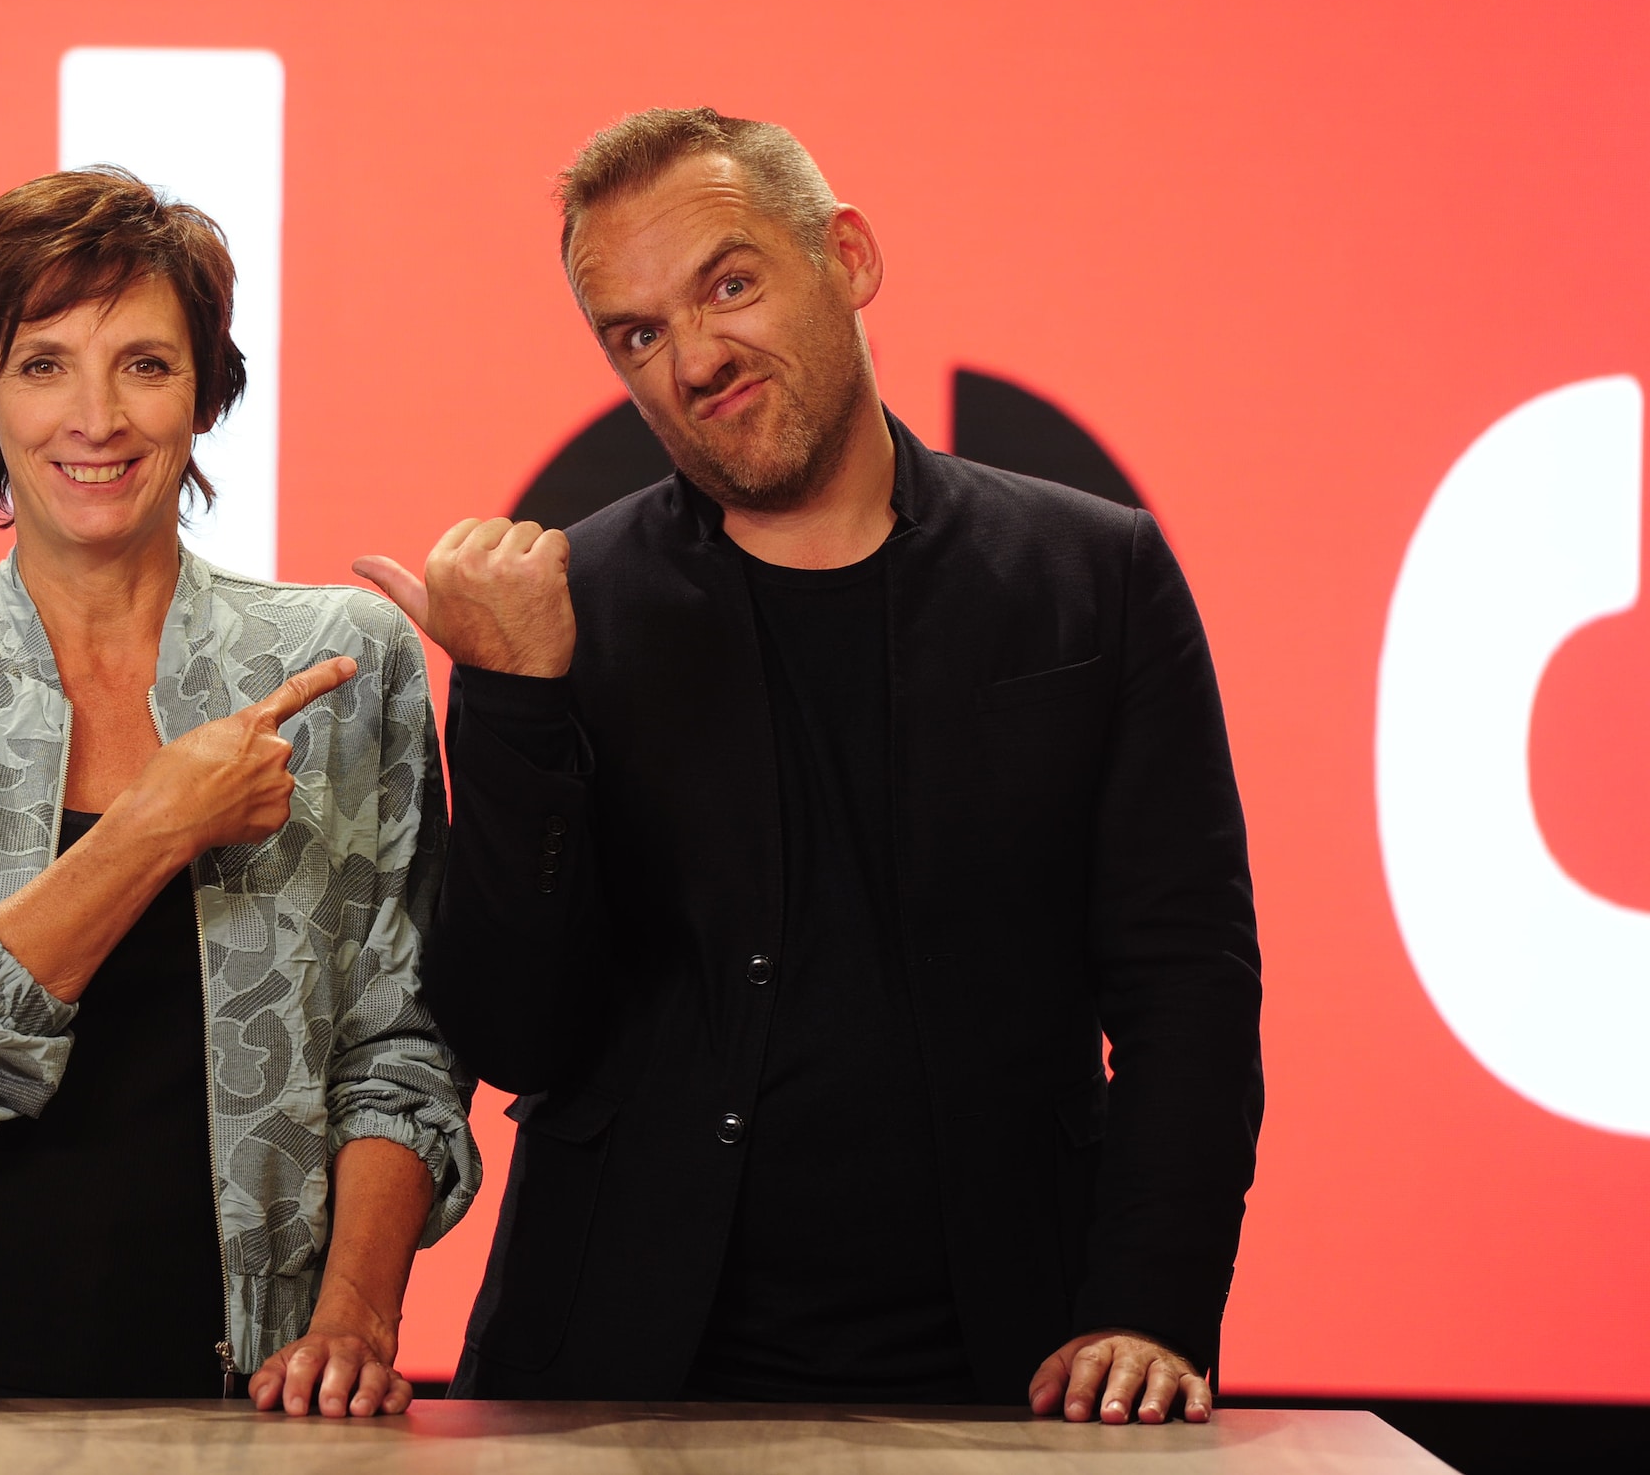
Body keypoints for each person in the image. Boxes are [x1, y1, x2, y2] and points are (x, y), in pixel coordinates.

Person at [355, 108, 1261, 1423]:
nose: (696, 359)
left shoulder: (1091, 573)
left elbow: (1187, 985)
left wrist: (1149, 1304)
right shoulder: (565, 602)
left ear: (847, 256)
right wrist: (511, 701)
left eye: (729, 285)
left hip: (1018, 1365)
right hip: (617, 1371)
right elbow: (512, 1035)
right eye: (637, 335)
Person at [0, 167, 477, 1414]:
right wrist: (150, 828)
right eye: (42, 366)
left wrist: (355, 1317)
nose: (94, 418)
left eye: (143, 365)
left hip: (251, 1378)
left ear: (205, 393)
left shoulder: (339, 663)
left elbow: (399, 1043)